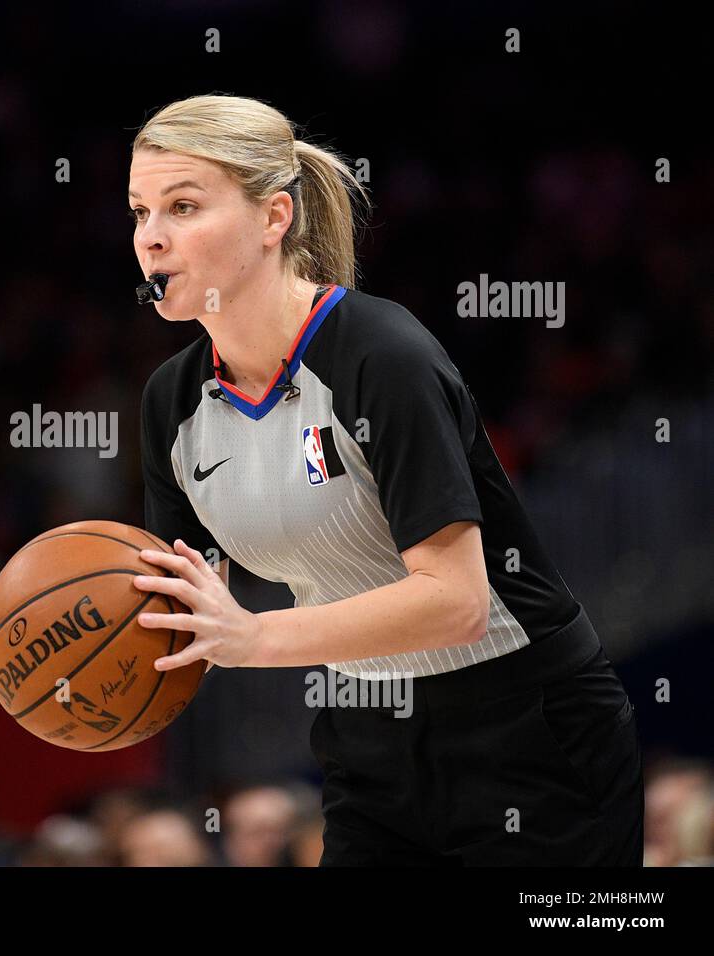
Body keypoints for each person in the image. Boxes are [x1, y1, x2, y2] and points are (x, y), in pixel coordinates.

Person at [128, 94, 642, 865]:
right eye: (139, 213)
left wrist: (257, 635)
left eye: (184, 206)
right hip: (366, 732)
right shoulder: (170, 402)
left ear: (275, 219)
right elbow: (180, 605)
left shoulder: (381, 355)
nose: (152, 238)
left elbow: (458, 602)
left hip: (529, 728)